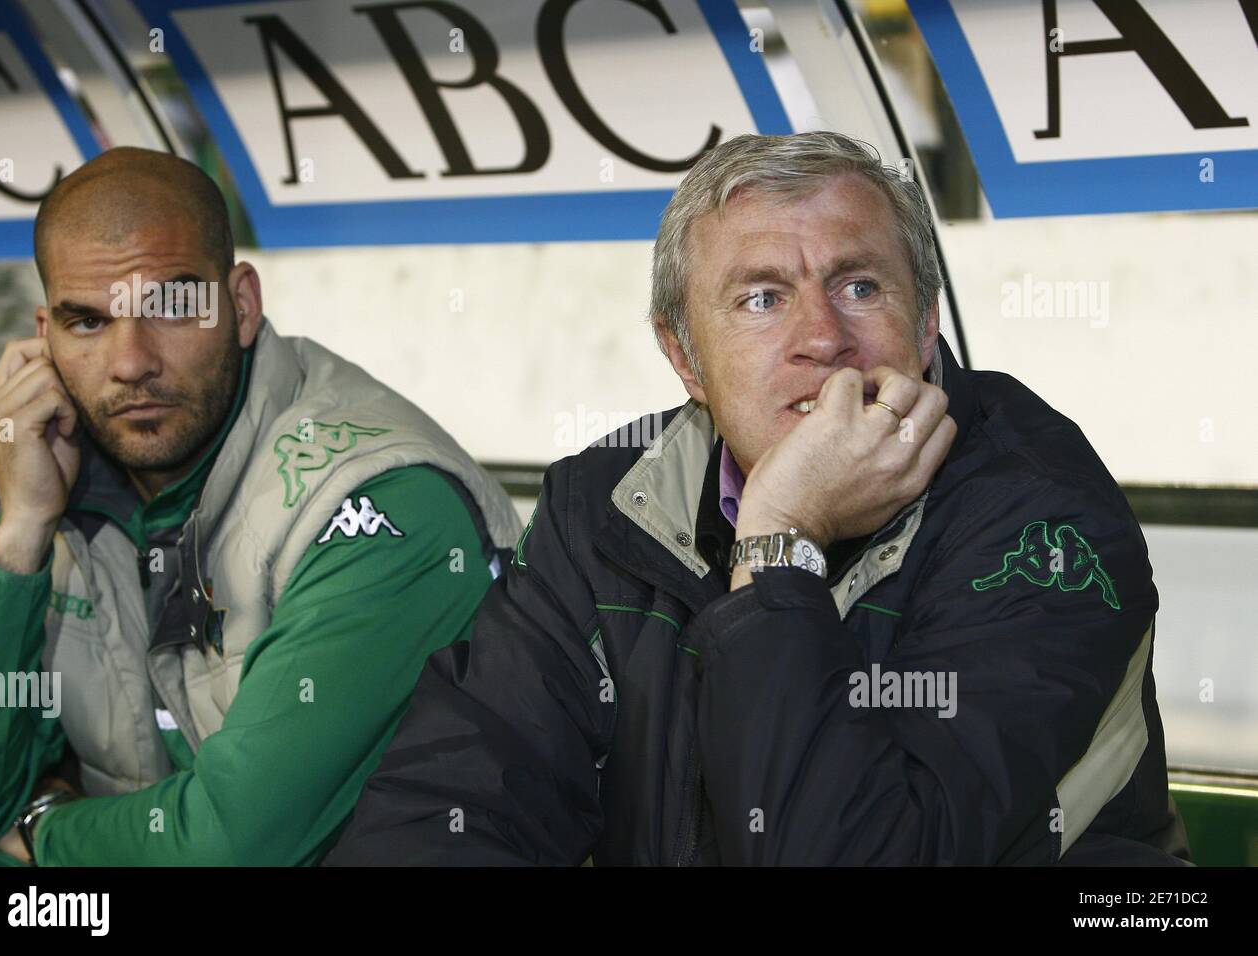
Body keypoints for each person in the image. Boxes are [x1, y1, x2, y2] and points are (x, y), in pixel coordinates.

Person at [326, 131, 1189, 866]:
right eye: (762, 298)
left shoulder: (1035, 515)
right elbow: (449, 803)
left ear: (926, 325)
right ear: (685, 358)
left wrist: (781, 539)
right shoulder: (607, 505)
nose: (822, 337)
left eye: (860, 286)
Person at [0, 147, 520, 865]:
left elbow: (234, 846)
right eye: (89, 323)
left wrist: (43, 834)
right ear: (45, 340)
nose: (131, 362)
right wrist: (21, 533)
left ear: (243, 306)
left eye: (172, 305)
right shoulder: (63, 481)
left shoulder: (378, 503)